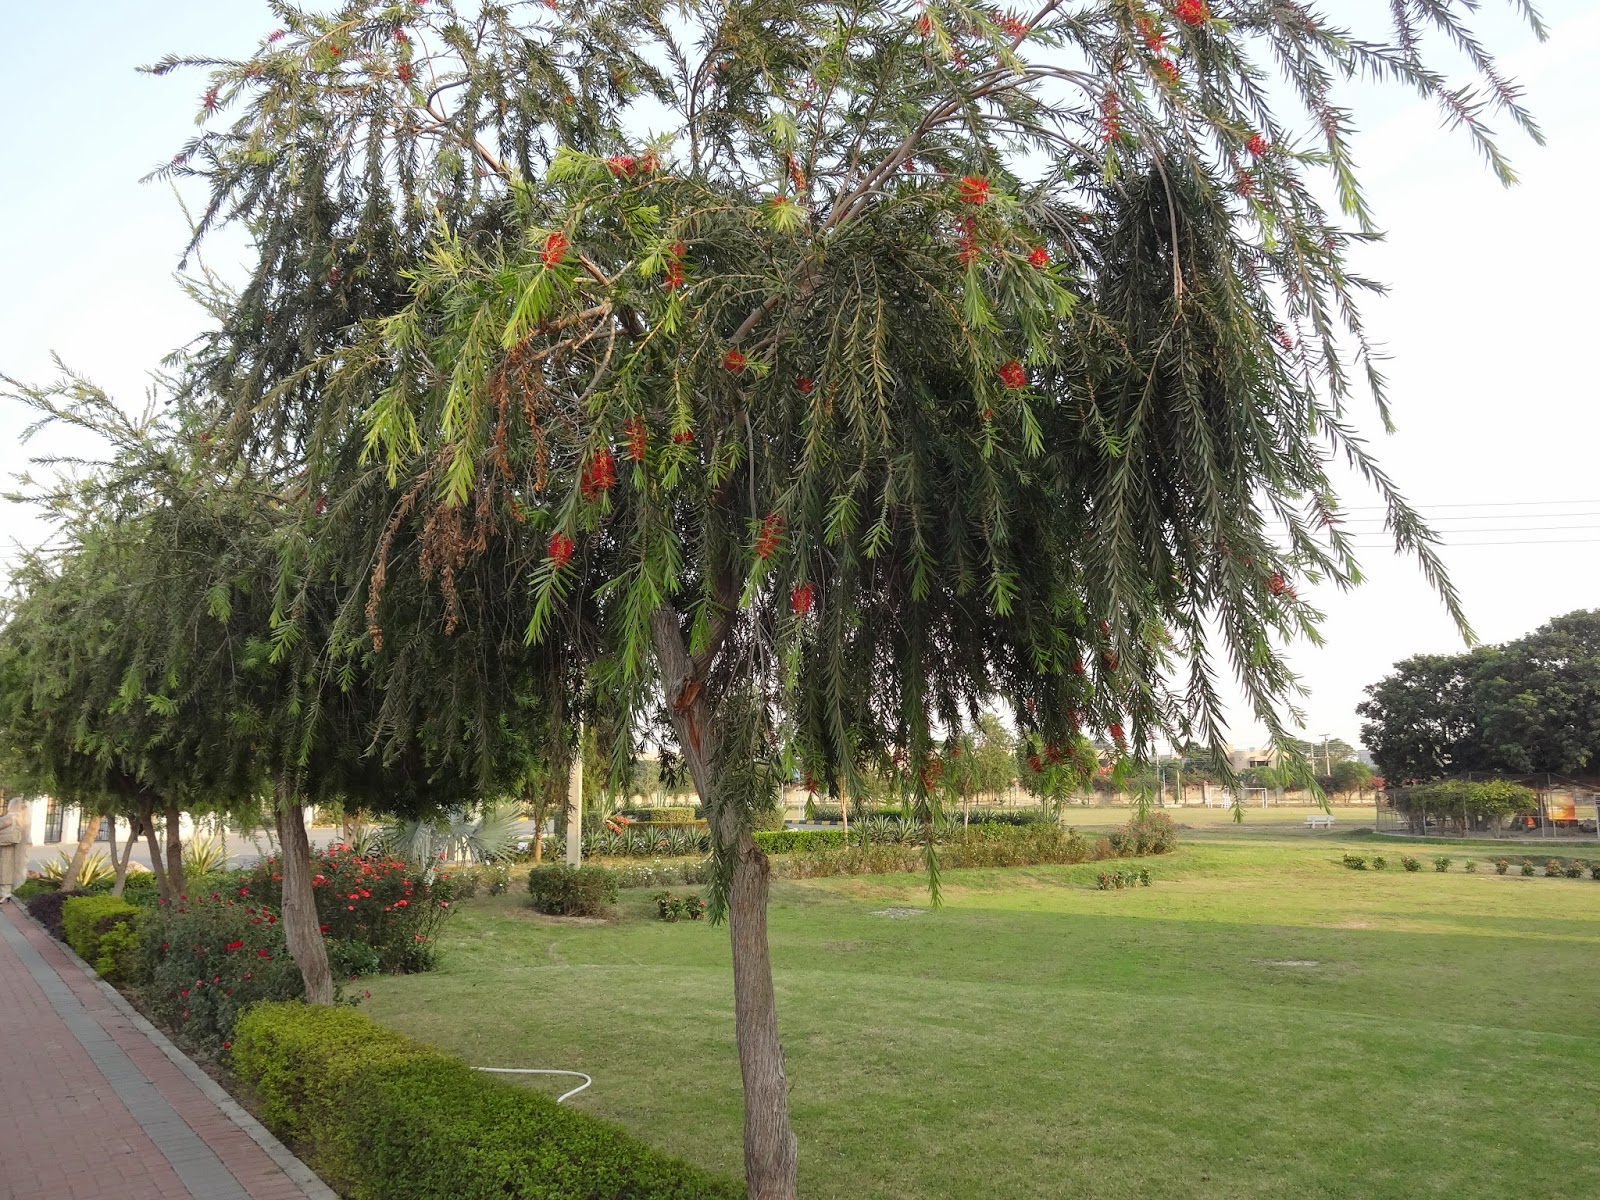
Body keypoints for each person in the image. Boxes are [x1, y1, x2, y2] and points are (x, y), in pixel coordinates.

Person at [0, 793, 29, 902]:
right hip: (13, 846)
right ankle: (6, 893)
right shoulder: (22, 819)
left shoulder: (11, 817)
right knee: (8, 867)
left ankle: (5, 893)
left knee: (4, 868)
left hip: (5, 846)